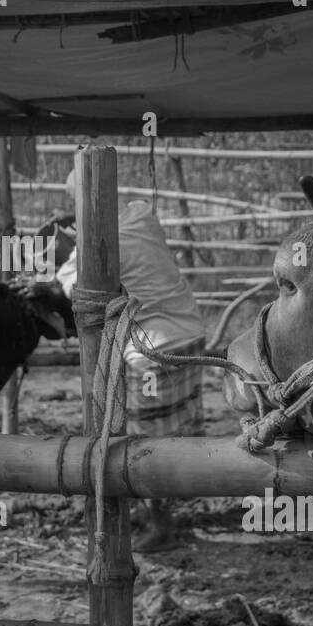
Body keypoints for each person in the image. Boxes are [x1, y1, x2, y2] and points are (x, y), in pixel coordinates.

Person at [32, 170, 208, 552]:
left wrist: (59, 254)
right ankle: (164, 509)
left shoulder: (97, 250)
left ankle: (161, 525)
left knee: (147, 443)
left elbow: (74, 286)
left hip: (154, 349)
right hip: (189, 333)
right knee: (175, 430)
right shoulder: (141, 216)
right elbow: (110, 236)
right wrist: (80, 231)